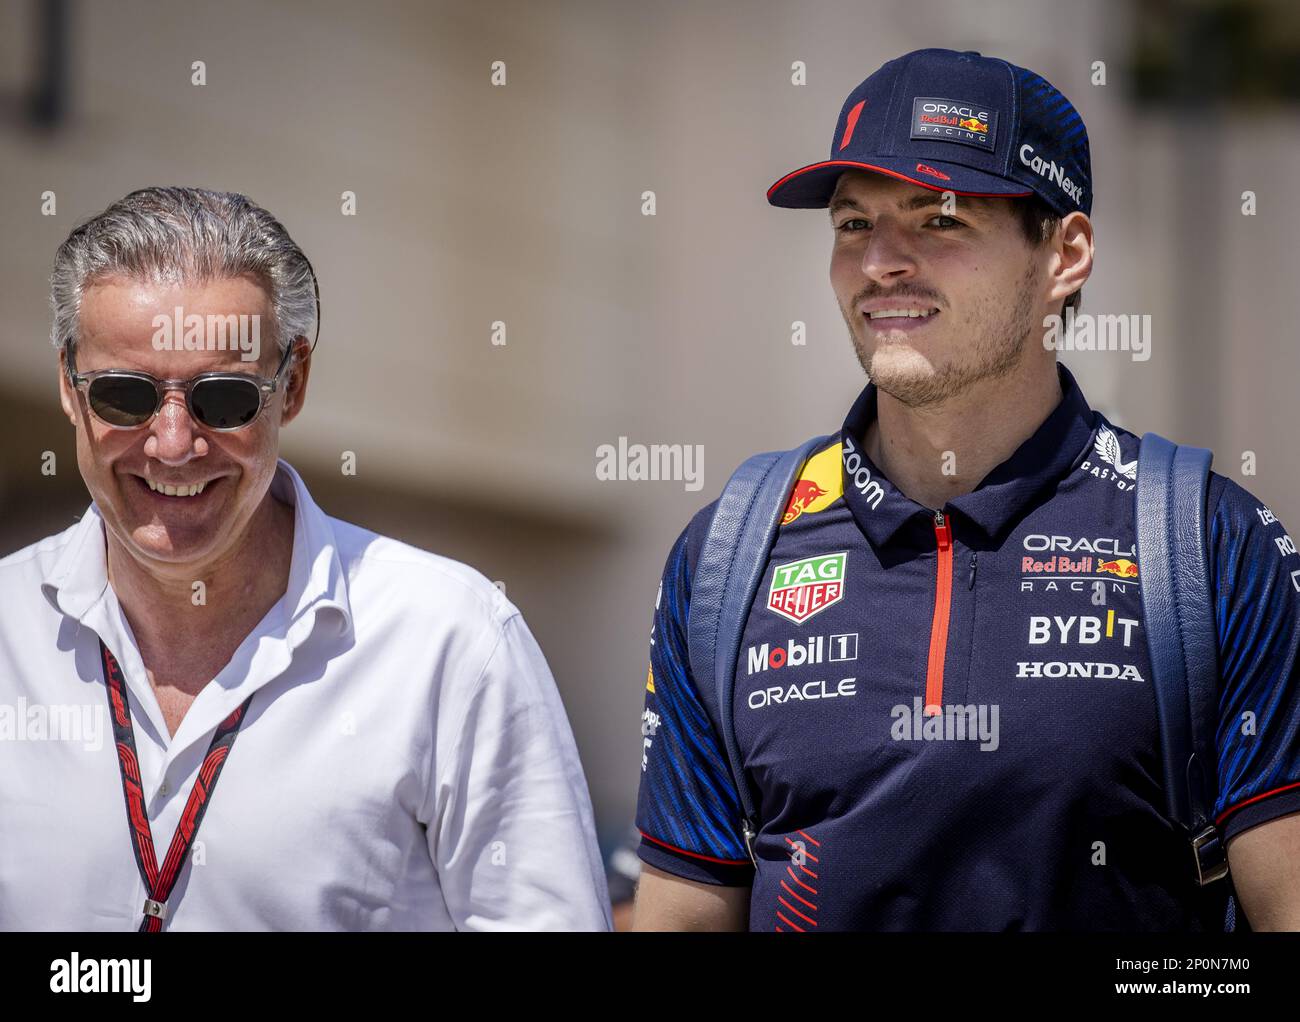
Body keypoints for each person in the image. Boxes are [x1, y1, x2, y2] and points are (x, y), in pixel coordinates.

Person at [631, 48, 1300, 931]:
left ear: (1064, 254)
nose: (880, 264)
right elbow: (682, 916)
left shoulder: (1207, 542)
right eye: (851, 224)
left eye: (938, 220)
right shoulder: (729, 553)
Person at [0, 186, 610, 931]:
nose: (171, 443)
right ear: (68, 386)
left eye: (222, 399)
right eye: (124, 396)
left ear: (291, 387)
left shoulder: (452, 640)